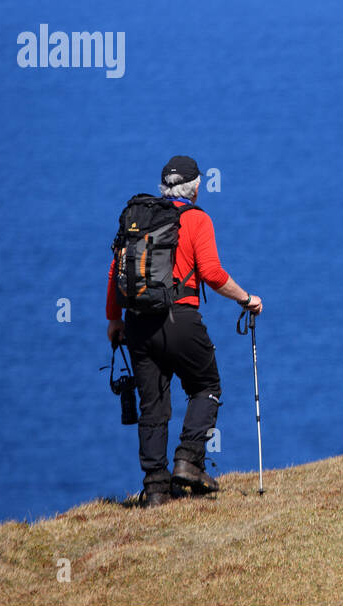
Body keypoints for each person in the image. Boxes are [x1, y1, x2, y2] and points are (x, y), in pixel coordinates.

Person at [106, 155, 263, 507]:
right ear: (195, 187)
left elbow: (116, 270)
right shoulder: (196, 219)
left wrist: (114, 320)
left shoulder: (139, 217)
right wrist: (246, 298)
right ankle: (189, 461)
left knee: (153, 406)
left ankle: (156, 489)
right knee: (206, 385)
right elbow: (212, 273)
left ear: (164, 187)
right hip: (180, 319)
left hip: (138, 323)